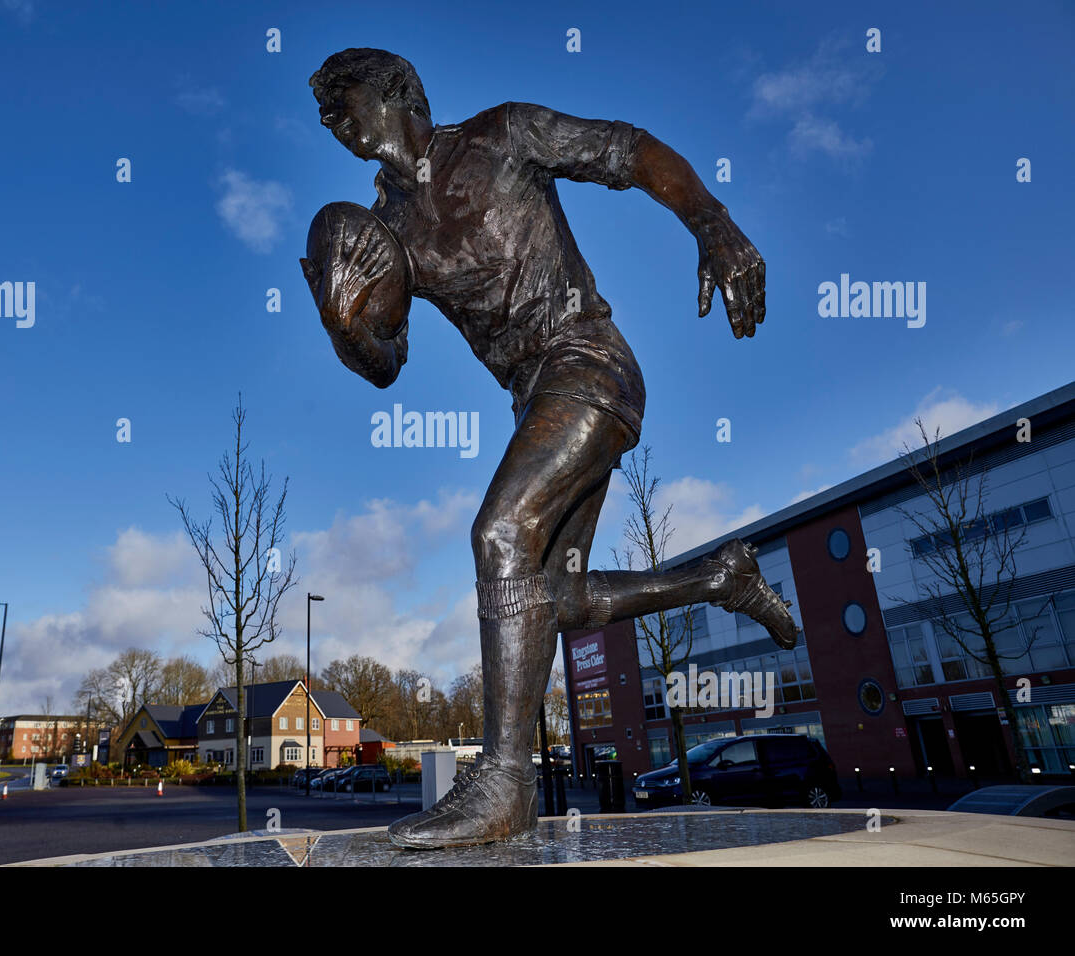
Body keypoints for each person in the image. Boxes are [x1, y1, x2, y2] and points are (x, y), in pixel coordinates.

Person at [302, 49, 799, 849]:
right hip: (534, 401)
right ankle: (721, 576)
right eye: (324, 115)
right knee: (556, 601)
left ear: (399, 90)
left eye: (344, 99)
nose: (334, 121)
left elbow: (628, 151)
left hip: (588, 363)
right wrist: (343, 322)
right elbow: (386, 365)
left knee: (500, 533)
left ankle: (504, 784)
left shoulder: (503, 135)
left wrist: (714, 224)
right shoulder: (384, 229)